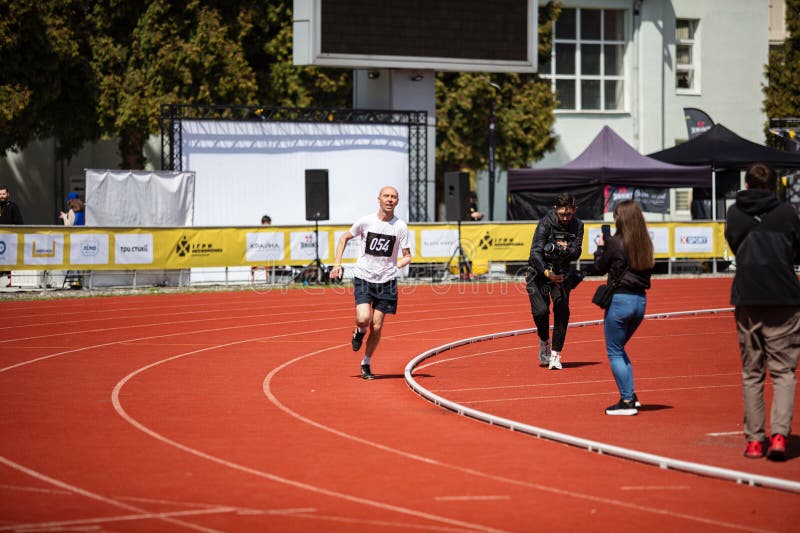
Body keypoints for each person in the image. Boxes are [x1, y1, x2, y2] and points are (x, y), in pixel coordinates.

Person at [725, 162, 800, 461]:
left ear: (746, 184)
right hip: (784, 297)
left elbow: (734, 245)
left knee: (752, 372)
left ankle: (755, 441)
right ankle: (779, 435)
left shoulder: (735, 213)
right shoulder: (787, 212)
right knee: (783, 371)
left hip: (748, 295)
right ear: (773, 186)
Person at [330, 186, 412, 380]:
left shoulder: (401, 227)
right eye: (386, 196)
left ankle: (366, 363)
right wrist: (337, 264)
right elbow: (344, 237)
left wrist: (395, 266)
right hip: (364, 277)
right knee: (363, 318)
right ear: (379, 199)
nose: (390, 199)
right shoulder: (366, 222)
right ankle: (359, 331)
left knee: (377, 325)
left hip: (387, 282)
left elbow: (407, 256)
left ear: (397, 202)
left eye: (394, 197)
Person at [593, 200, 654, 416]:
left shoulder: (615, 242)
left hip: (620, 301)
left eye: (616, 217)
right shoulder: (645, 243)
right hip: (640, 301)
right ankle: (631, 396)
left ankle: (627, 401)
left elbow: (598, 267)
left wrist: (601, 247)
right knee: (619, 348)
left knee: (615, 351)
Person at [526, 192, 584, 370]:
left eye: (569, 214)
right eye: (562, 214)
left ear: (574, 210)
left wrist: (566, 250)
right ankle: (544, 341)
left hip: (561, 274)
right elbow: (535, 252)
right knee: (541, 312)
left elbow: (577, 252)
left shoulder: (578, 225)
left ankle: (555, 354)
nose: (565, 218)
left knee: (562, 311)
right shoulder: (545, 223)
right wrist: (547, 272)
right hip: (539, 273)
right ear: (555, 209)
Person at [0, 186, 24, 285]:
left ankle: (11, 280)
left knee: (10, 260)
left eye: (3, 194)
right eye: (0, 194)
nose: (2, 196)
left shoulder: (13, 206)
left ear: (8, 194)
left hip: (10, 239)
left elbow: (19, 223)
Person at [251, 215, 272, 283]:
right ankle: (253, 281)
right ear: (263, 223)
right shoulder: (257, 232)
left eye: (269, 223)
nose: (268, 225)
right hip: (258, 254)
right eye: (267, 223)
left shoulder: (272, 233)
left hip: (267, 254)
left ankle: (268, 281)